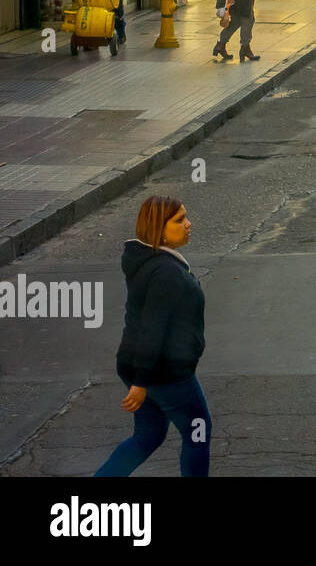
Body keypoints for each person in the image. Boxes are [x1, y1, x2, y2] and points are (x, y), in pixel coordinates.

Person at [95, 196, 210, 477]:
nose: (188, 223)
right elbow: (152, 329)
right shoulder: (165, 273)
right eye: (180, 220)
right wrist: (141, 383)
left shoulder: (146, 258)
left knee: (147, 437)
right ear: (160, 228)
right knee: (198, 432)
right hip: (164, 373)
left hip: (139, 367)